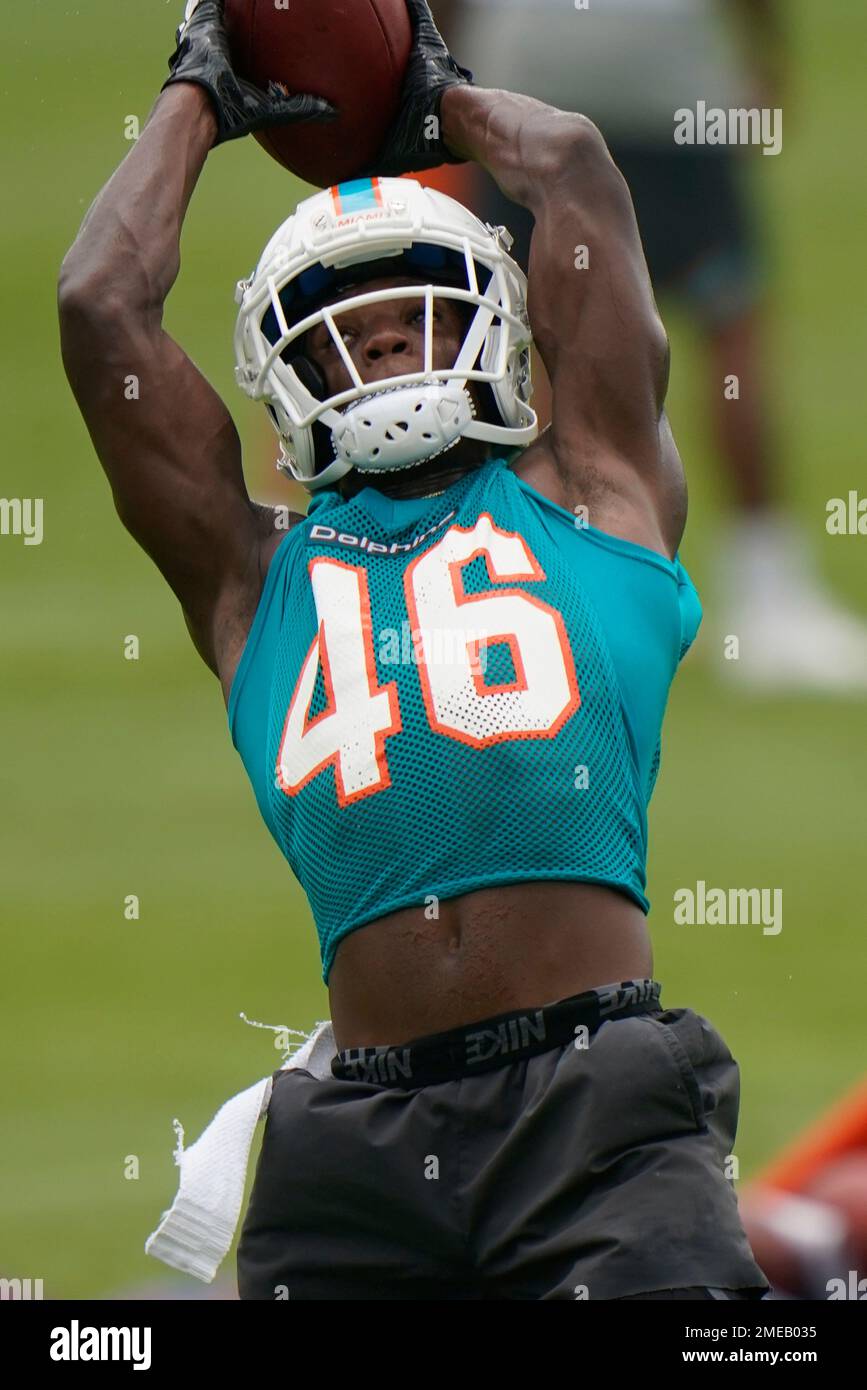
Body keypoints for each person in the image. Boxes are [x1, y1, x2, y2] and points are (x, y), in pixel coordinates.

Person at [58, 0, 770, 1300]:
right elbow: (99, 302)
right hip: (354, 1153)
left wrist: (430, 92)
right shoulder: (250, 574)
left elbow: (569, 169)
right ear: (278, 372)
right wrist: (200, 91)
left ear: (497, 327)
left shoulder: (596, 495)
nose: (379, 333)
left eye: (411, 305)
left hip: (597, 1114)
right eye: (334, 313)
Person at [433, 0, 867, 693]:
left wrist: (443, 75)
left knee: (532, 348)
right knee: (730, 327)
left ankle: (540, 595)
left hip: (521, 87)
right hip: (665, 87)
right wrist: (763, 56)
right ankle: (767, 595)